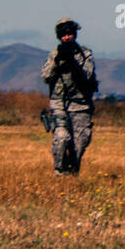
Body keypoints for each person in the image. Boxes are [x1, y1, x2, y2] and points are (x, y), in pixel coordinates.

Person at [41, 17, 97, 175]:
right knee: (62, 137)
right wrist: (57, 62)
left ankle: (72, 173)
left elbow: (87, 76)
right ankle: (60, 172)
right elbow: (45, 77)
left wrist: (72, 63)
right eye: (63, 35)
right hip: (59, 103)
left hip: (81, 103)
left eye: (69, 34)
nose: (66, 37)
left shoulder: (85, 54)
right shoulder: (54, 55)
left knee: (80, 141)